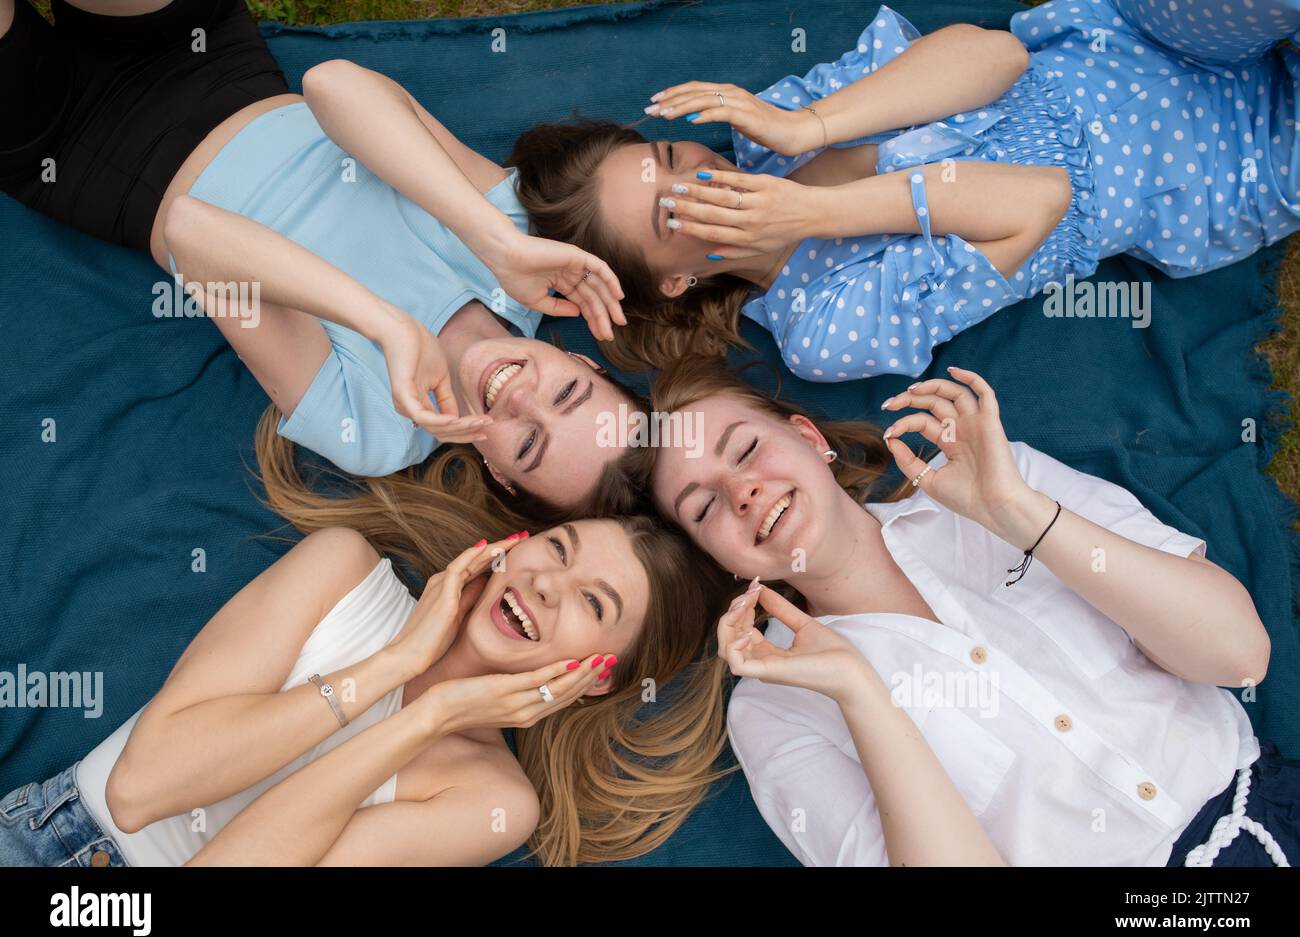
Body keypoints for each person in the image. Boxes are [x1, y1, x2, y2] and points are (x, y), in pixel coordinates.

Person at [643, 354, 1296, 866]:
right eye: (703, 508)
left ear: (811, 439)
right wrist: (860, 692)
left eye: (746, 449)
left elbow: (1238, 656)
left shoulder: (1001, 479)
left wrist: (1021, 517)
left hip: (1263, 805)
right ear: (723, 563)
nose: (743, 491)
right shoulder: (774, 708)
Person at [0, 0, 640, 511]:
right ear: (581, 359)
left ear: (500, 477)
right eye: (566, 394)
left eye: (528, 444)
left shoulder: (379, 433)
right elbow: (332, 86)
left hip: (96, 157)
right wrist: (493, 239)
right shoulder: (518, 252)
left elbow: (188, 231)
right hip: (211, 60)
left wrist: (381, 322)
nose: (521, 400)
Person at [0, 444, 734, 865]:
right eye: (558, 550)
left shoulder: (495, 804)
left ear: (601, 680)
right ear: (514, 547)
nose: (547, 584)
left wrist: (429, 715)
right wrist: (391, 667)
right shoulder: (342, 570)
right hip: (51, 838)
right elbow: (139, 790)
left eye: (593, 603)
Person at [508, 0, 1300, 380]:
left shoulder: (771, 128)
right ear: (674, 279)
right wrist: (816, 213)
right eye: (669, 205)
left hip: (1123, 40)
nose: (702, 175)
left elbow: (998, 59)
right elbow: (1039, 199)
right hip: (1209, 171)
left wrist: (811, 130)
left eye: (674, 153)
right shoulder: (821, 329)